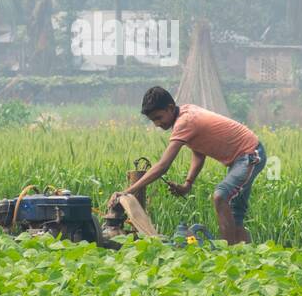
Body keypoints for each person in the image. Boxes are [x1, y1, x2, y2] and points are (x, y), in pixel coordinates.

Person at [109, 86, 266, 244]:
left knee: (220, 196)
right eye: (153, 120)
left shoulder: (185, 122)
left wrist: (127, 192)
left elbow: (163, 165)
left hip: (250, 155)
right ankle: (244, 253)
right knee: (234, 215)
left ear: (170, 108)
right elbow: (199, 151)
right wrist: (187, 184)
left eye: (159, 117)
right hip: (242, 158)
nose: (157, 124)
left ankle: (228, 253)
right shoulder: (185, 113)